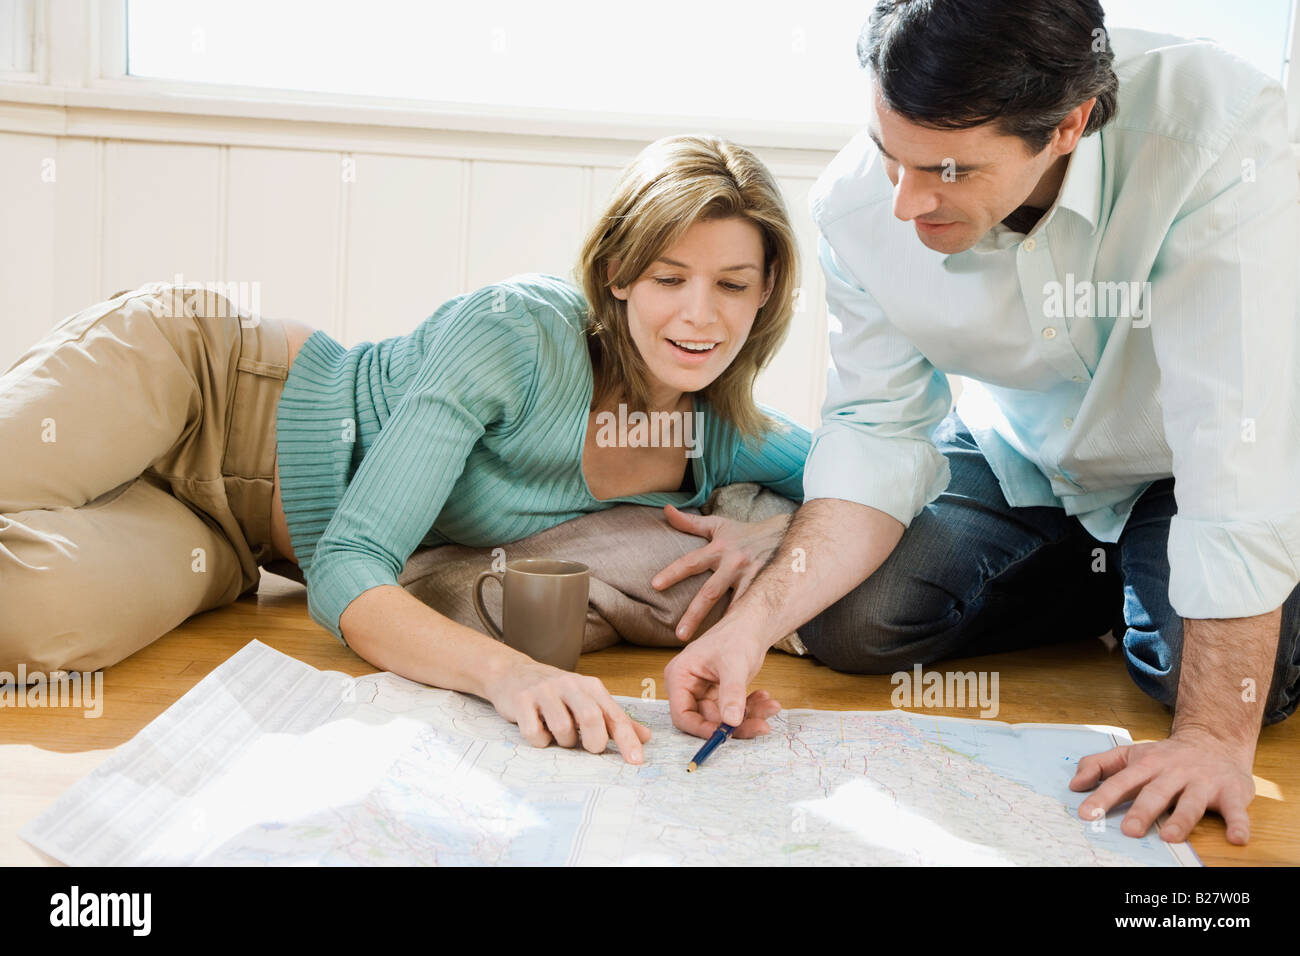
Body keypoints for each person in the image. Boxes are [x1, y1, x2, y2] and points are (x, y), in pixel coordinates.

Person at [663, 0, 1300, 846]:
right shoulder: (859, 205)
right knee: (854, 622)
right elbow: (875, 435)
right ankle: (1120, 586)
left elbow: (1235, 444)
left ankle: (1150, 585)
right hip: (1020, 453)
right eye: (892, 155)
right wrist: (750, 629)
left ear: (1069, 124)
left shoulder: (1222, 131)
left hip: (1180, 468)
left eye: (949, 172)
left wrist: (1215, 737)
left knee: (1201, 679)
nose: (905, 203)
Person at [0, 133, 809, 764]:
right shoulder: (517, 331)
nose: (701, 316)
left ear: (766, 289)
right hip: (207, 386)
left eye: (732, 284)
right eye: (670, 278)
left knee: (31, 620)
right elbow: (352, 559)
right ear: (618, 273)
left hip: (221, 542)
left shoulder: (721, 437)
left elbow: (885, 483)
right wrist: (511, 674)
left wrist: (766, 535)